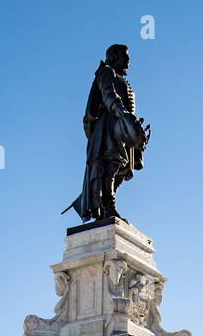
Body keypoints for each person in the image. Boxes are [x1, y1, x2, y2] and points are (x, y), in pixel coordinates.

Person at [64, 45, 151, 222]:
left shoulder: (124, 81)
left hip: (122, 128)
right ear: (113, 57)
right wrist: (123, 115)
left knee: (121, 169)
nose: (128, 60)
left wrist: (133, 128)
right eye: (124, 56)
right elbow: (108, 95)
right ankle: (109, 208)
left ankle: (106, 205)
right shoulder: (106, 72)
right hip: (109, 126)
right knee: (110, 166)